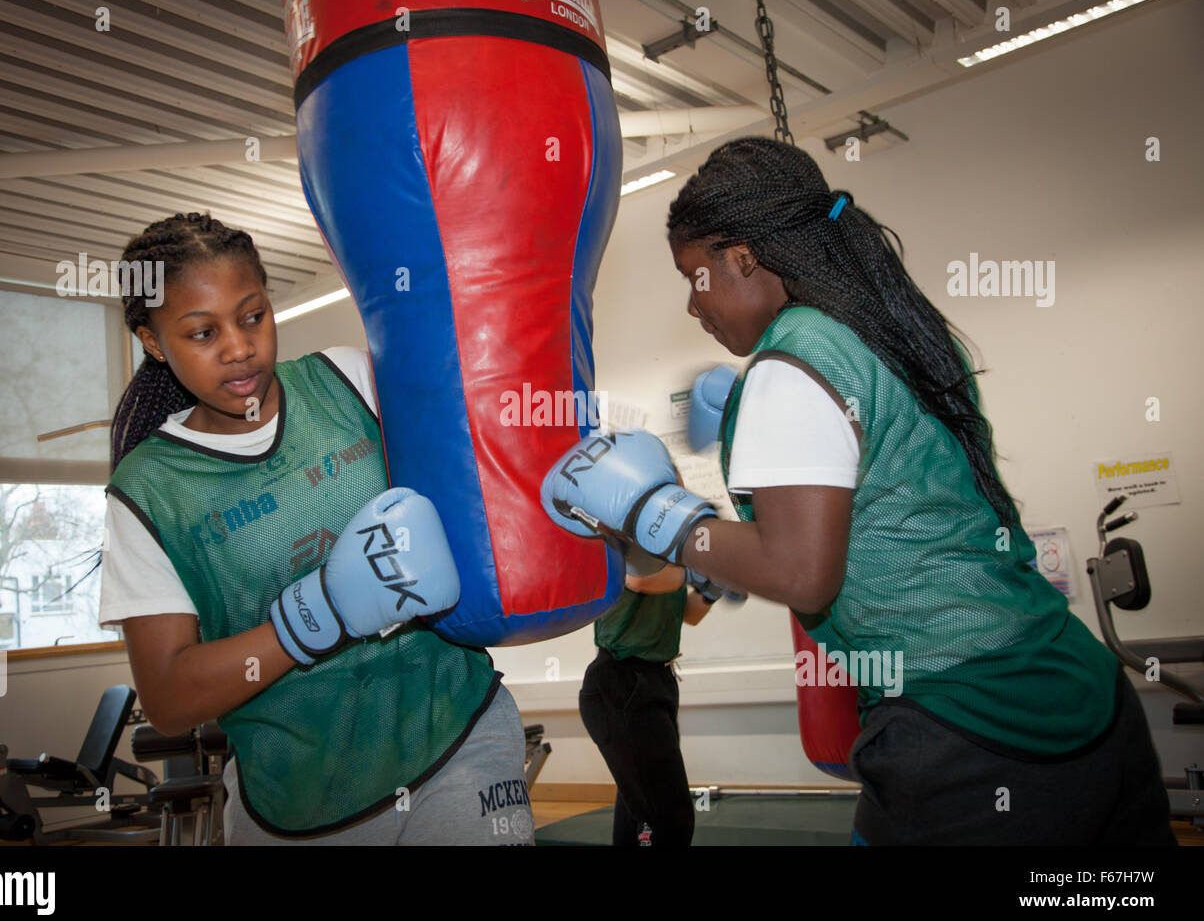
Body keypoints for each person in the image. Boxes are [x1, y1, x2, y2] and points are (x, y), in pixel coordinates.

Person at [543, 137, 1176, 845]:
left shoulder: (792, 362)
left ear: (743, 257)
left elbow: (801, 574)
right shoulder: (881, 333)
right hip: (1079, 691)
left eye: (695, 276)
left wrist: (646, 510)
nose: (694, 307)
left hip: (966, 726)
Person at [98, 213, 533, 845]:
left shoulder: (347, 381)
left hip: (457, 734)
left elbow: (475, 484)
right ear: (155, 342)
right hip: (300, 802)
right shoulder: (148, 492)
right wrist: (316, 615)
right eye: (201, 332)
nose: (239, 347)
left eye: (252, 316)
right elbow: (167, 696)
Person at [579, 565, 716, 846]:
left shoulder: (672, 555)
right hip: (622, 683)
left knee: (639, 812)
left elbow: (688, 615)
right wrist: (697, 569)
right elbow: (638, 580)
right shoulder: (633, 531)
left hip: (657, 682)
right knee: (668, 817)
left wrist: (714, 590)